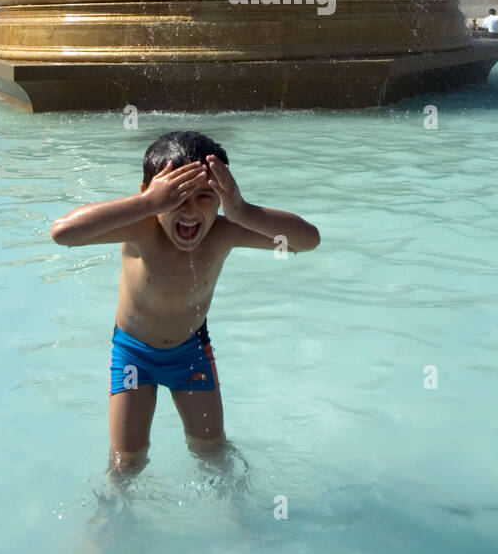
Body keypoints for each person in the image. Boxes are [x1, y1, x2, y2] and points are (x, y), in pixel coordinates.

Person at [50, 130, 320, 477]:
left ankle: (234, 514)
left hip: (190, 353)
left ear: (222, 199)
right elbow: (63, 233)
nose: (190, 212)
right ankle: (112, 519)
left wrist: (243, 211)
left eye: (205, 197)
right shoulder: (139, 229)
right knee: (126, 461)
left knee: (211, 451)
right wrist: (147, 205)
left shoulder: (224, 233)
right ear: (150, 194)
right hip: (135, 355)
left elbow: (306, 241)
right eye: (174, 198)